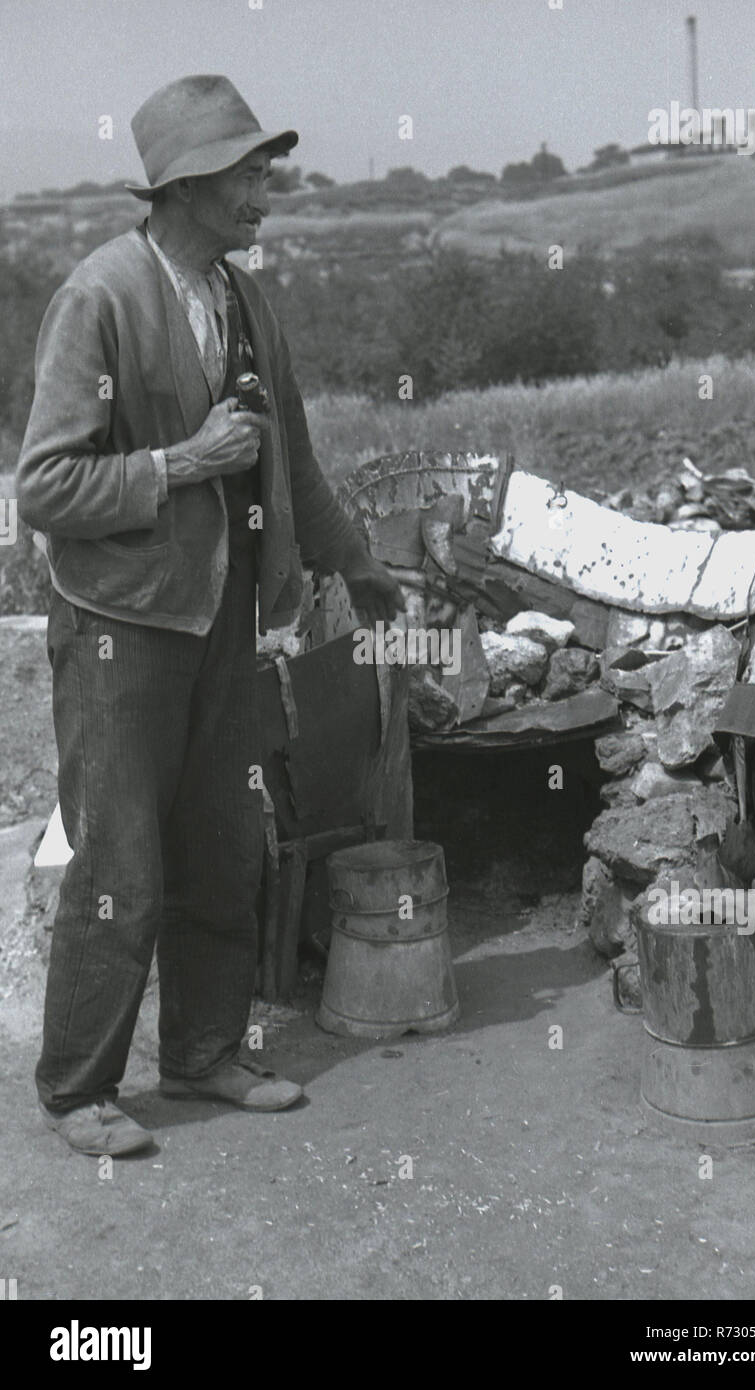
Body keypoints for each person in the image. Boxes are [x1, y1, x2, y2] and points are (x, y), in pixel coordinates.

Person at [15, 74, 403, 1157]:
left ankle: (200, 1053)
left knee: (226, 843)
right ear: (185, 184)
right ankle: (78, 1087)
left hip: (225, 621)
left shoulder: (243, 300)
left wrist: (353, 563)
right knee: (119, 863)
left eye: (265, 169)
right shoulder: (99, 299)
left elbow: (297, 460)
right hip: (119, 627)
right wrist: (181, 465)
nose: (265, 191)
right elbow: (43, 486)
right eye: (247, 171)